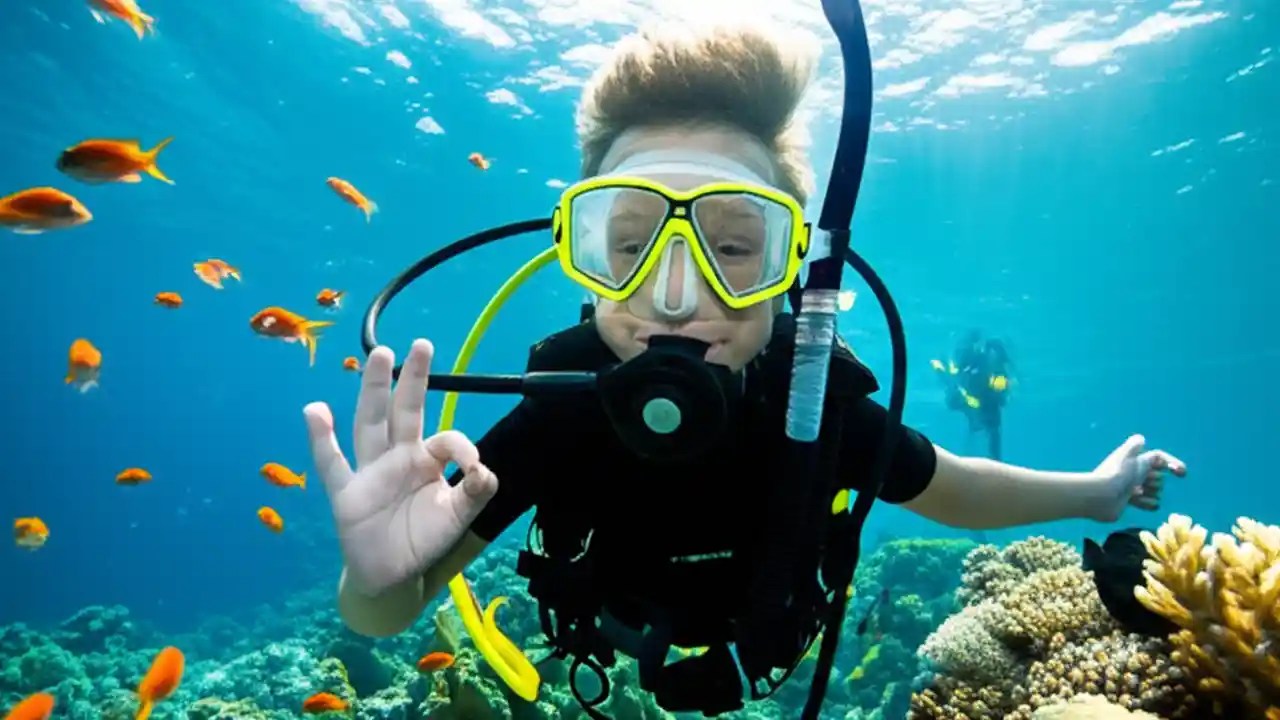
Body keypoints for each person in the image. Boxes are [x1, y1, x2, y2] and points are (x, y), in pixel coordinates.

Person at [300, 17, 1188, 720]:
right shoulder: (561, 409)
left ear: (794, 267)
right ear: (581, 257)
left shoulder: (811, 398)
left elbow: (954, 488)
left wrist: (1095, 492)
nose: (676, 296)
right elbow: (386, 612)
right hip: (608, 647)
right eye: (632, 247)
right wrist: (372, 583)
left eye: (733, 247)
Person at [932, 329, 1013, 460]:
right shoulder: (969, 365)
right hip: (979, 399)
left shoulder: (984, 365)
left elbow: (955, 383)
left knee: (990, 431)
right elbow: (954, 384)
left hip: (984, 400)